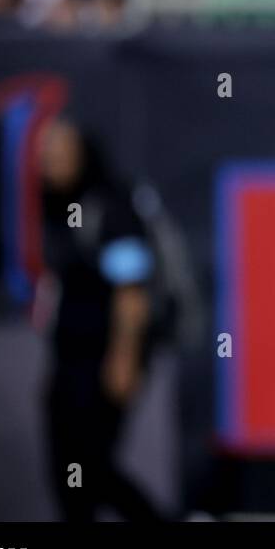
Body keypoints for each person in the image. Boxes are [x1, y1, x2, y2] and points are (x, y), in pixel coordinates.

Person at [37, 115, 163, 521]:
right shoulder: (58, 210)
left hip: (102, 361)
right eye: (45, 155)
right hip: (68, 360)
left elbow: (132, 293)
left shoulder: (111, 208)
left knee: (91, 468)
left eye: (60, 153)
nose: (50, 163)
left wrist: (123, 360)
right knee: (66, 472)